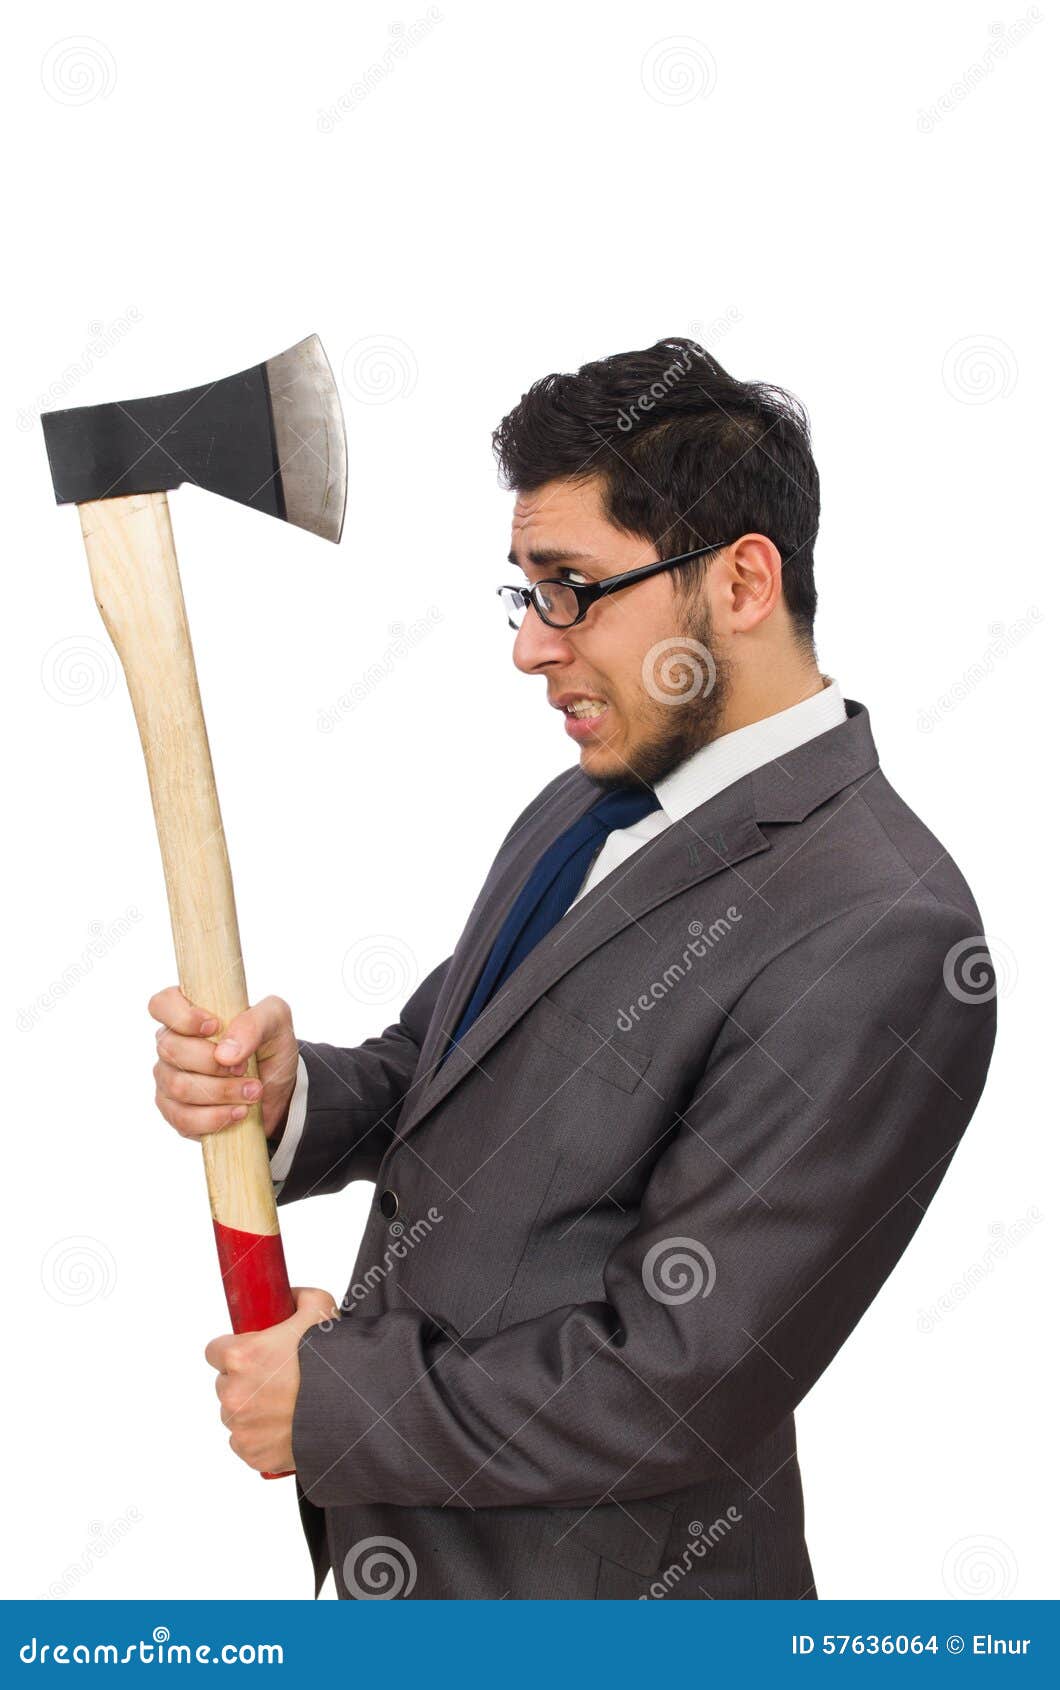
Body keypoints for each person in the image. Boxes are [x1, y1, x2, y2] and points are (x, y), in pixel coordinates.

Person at [150, 338, 996, 1600]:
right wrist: (288, 1098)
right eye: (524, 592)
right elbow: (436, 1070)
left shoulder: (885, 924)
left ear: (743, 580)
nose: (531, 647)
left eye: (572, 586)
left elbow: (679, 1377)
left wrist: (338, 1402)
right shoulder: (580, 806)